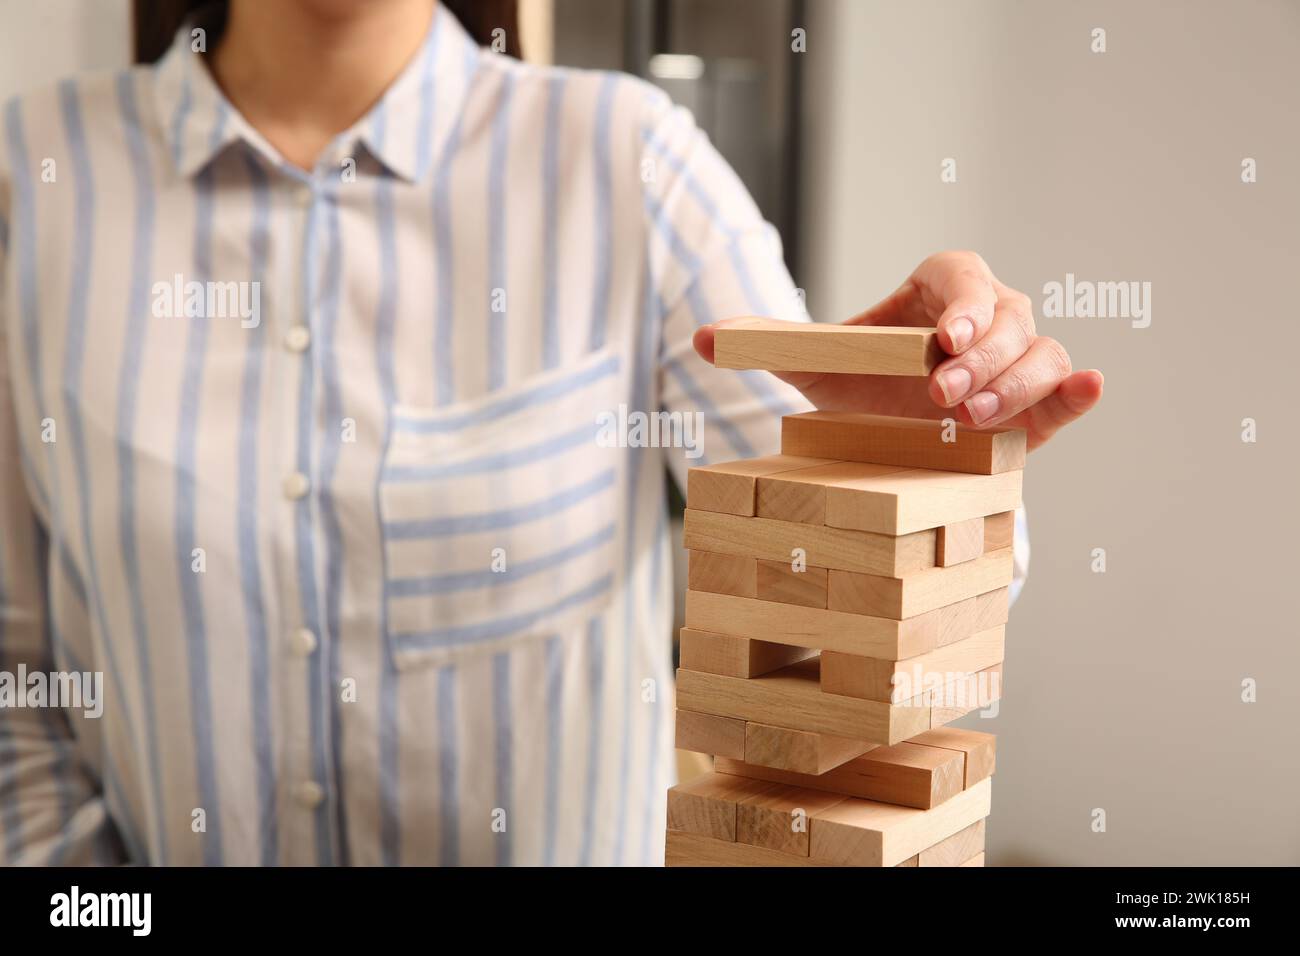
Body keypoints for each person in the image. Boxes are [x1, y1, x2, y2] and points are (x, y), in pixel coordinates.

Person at [0, 0, 1102, 866]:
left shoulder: (628, 160)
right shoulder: (33, 179)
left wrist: (911, 465)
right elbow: (16, 669)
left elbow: (866, 649)